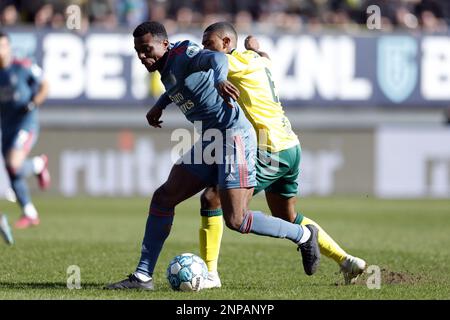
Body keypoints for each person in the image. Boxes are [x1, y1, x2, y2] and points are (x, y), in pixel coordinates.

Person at [106, 21, 320, 290]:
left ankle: (301, 234)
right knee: (164, 197)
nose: (142, 56)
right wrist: (159, 105)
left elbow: (217, 57)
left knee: (237, 219)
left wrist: (220, 79)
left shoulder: (184, 54)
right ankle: (142, 276)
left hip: (234, 136)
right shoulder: (166, 67)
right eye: (137, 51)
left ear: (164, 44)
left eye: (146, 49)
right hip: (211, 139)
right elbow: (178, 84)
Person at [199, 22, 366, 287]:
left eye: (209, 44)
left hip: (268, 149)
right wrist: (255, 46)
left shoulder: (233, 62)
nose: (205, 49)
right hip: (290, 147)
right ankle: (347, 261)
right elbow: (263, 55)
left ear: (227, 43)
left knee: (213, 198)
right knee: (287, 218)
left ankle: (210, 275)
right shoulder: (256, 59)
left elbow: (209, 64)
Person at [0, 31, 51, 229]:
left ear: (9, 47)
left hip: (25, 124)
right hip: (6, 125)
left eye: (3, 46)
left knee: (13, 164)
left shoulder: (23, 66)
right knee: (12, 171)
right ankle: (30, 213)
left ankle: (38, 164)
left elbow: (45, 85)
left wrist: (33, 102)